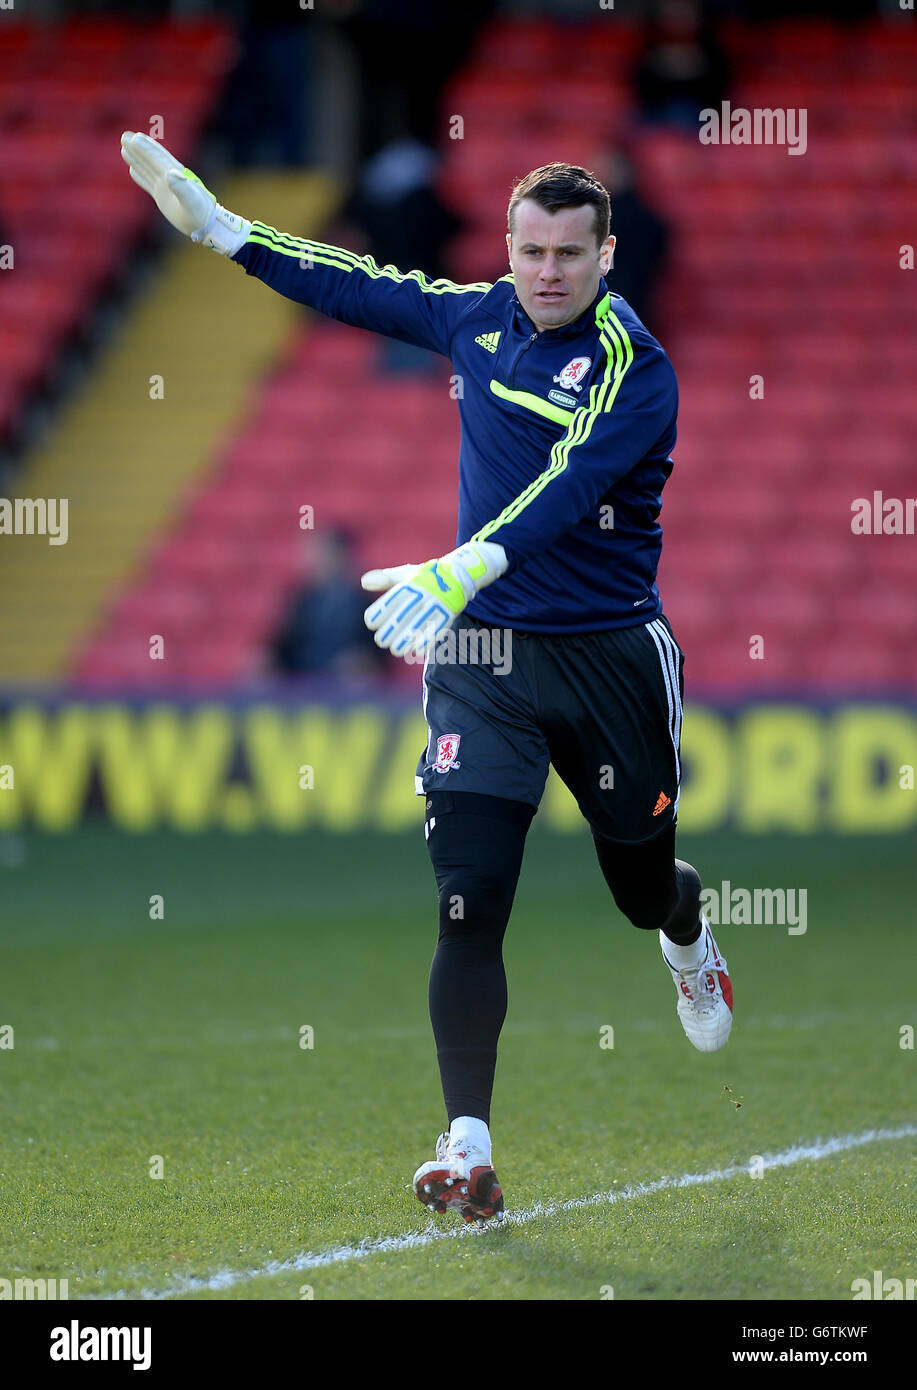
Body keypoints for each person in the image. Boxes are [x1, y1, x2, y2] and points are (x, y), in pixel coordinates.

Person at [120, 134, 734, 1227]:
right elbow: (354, 285)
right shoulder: (474, 316)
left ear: (605, 259)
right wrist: (225, 233)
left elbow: (568, 482)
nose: (546, 270)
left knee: (636, 887)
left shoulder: (632, 369)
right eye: (529, 250)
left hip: (605, 656)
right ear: (505, 249)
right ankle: (466, 1145)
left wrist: (460, 565)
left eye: (569, 253)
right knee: (467, 903)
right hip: (482, 659)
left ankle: (685, 935)